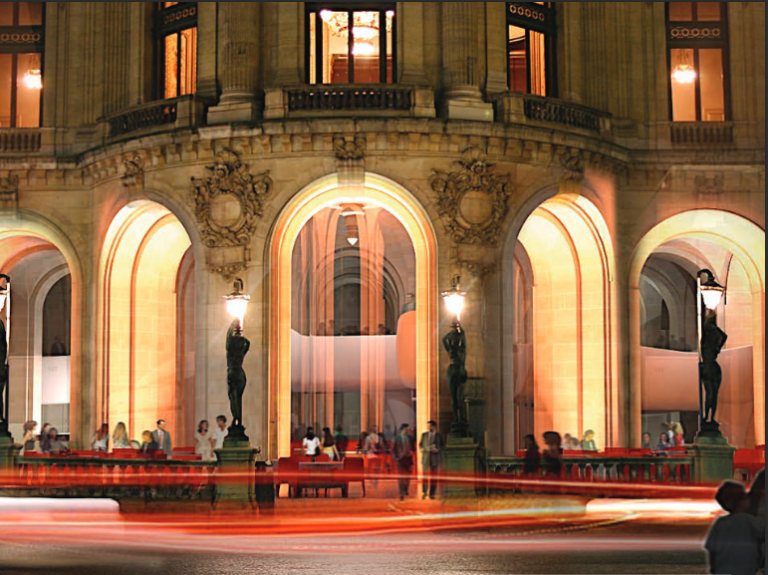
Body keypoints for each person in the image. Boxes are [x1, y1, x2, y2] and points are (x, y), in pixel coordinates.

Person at [705, 481, 763, 575]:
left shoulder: (720, 523)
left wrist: (713, 567)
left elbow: (712, 549)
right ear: (742, 501)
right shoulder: (750, 520)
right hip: (745, 568)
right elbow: (762, 535)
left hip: (722, 569)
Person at [226, 319, 251, 430]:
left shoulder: (230, 351)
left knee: (233, 397)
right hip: (241, 373)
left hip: (232, 372)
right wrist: (242, 338)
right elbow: (248, 343)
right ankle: (238, 420)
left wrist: (233, 323)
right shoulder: (241, 352)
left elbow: (228, 335)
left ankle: (235, 418)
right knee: (238, 398)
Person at [443, 322, 468, 431]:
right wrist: (453, 331)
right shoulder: (451, 349)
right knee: (454, 398)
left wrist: (460, 329)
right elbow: (444, 339)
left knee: (459, 397)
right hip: (452, 370)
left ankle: (462, 418)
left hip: (458, 370)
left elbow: (463, 337)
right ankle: (456, 418)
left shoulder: (461, 348)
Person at [419, 420, 445, 500]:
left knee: (434, 477)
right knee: (425, 476)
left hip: (435, 458)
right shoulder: (424, 435)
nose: (429, 427)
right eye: (428, 426)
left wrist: (437, 450)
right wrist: (425, 449)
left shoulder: (439, 436)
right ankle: (424, 492)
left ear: (434, 427)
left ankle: (432, 493)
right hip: (426, 458)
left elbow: (443, 446)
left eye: (430, 426)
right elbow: (420, 445)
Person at [393, 423, 414, 501]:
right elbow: (394, 449)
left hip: (408, 459)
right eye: (406, 429)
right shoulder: (397, 438)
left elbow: (413, 448)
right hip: (400, 459)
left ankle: (405, 489)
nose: (407, 431)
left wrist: (412, 452)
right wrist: (396, 458)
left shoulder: (410, 438)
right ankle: (401, 492)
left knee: (408, 476)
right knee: (401, 477)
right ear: (402, 430)